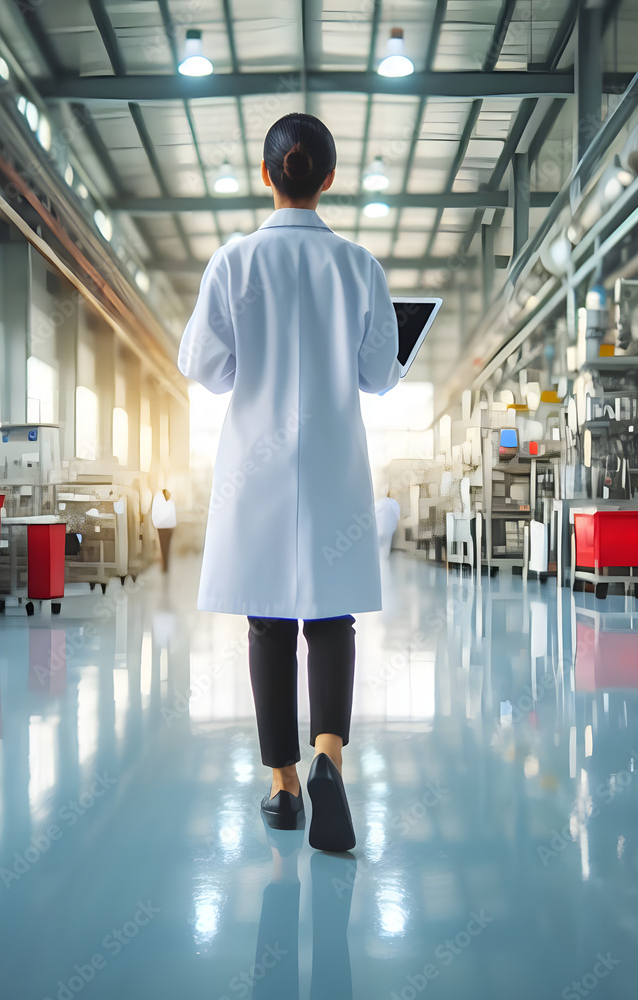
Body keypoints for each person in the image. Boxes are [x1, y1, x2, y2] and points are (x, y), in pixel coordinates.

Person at [177, 113, 400, 853]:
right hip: (333, 464)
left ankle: (284, 787)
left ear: (266, 174)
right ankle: (328, 755)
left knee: (268, 624)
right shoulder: (360, 267)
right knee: (332, 619)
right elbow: (378, 376)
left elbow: (204, 367)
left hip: (258, 467)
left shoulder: (233, 262)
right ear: (328, 179)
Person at [150, 487, 176, 573]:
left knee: (163, 547)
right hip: (168, 528)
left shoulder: (161, 503)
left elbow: (155, 514)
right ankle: (166, 565)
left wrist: (156, 524)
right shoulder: (169, 503)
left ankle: (165, 566)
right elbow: (172, 515)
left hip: (162, 528)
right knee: (166, 547)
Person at [374, 492, 401, 562]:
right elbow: (397, 515)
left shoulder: (380, 503)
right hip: (387, 530)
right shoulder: (392, 504)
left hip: (383, 530)